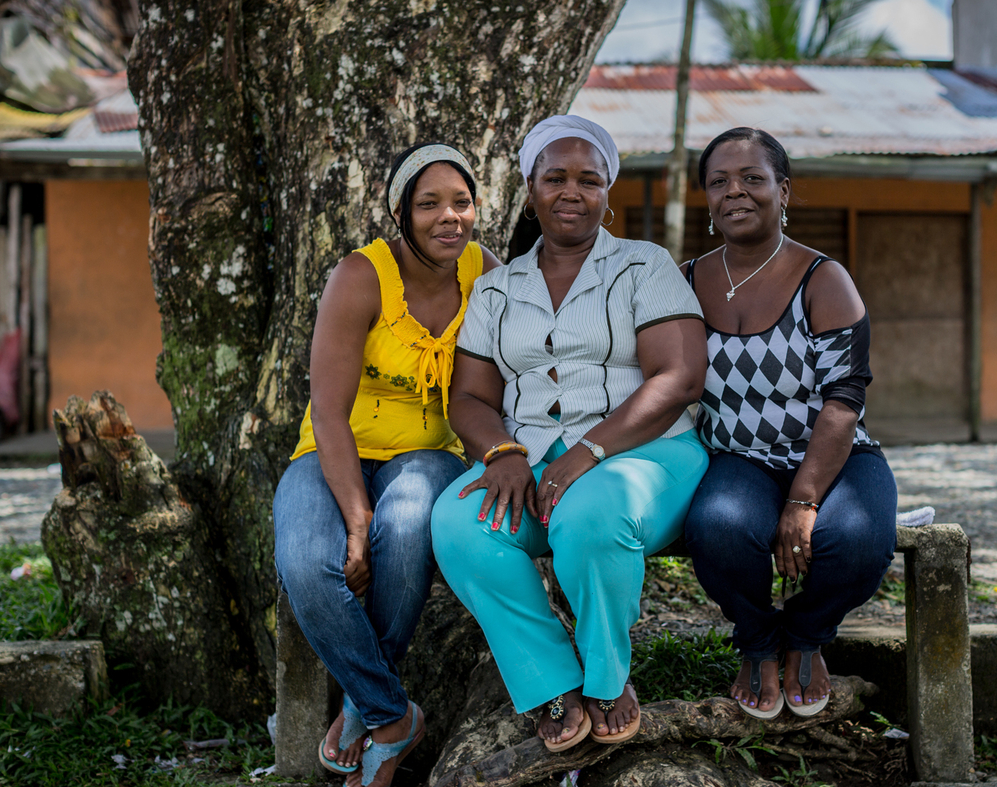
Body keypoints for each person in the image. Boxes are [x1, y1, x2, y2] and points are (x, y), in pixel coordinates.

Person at [430, 115, 708, 752]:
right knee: (458, 523)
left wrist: (587, 452)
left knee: (590, 517)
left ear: (608, 191)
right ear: (531, 191)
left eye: (589, 179)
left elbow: (679, 378)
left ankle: (608, 677)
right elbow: (468, 396)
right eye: (555, 178)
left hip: (648, 455)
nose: (571, 192)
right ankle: (551, 678)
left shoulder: (643, 266)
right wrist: (501, 453)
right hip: (530, 462)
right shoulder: (497, 290)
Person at [273, 142, 500, 787]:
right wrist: (354, 519)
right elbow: (328, 412)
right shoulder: (361, 276)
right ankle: (392, 714)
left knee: (402, 532)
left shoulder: (486, 272)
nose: (448, 217)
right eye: (429, 204)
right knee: (306, 565)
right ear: (400, 213)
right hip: (333, 448)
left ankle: (362, 708)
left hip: (430, 454)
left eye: (461, 202)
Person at [680, 128, 897, 720]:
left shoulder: (823, 279)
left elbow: (844, 401)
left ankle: (805, 636)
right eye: (719, 181)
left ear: (783, 189)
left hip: (834, 456)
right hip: (738, 458)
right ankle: (758, 642)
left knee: (858, 540)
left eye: (752, 178)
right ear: (707, 197)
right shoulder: (683, 281)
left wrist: (803, 501)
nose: (735, 191)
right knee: (718, 527)